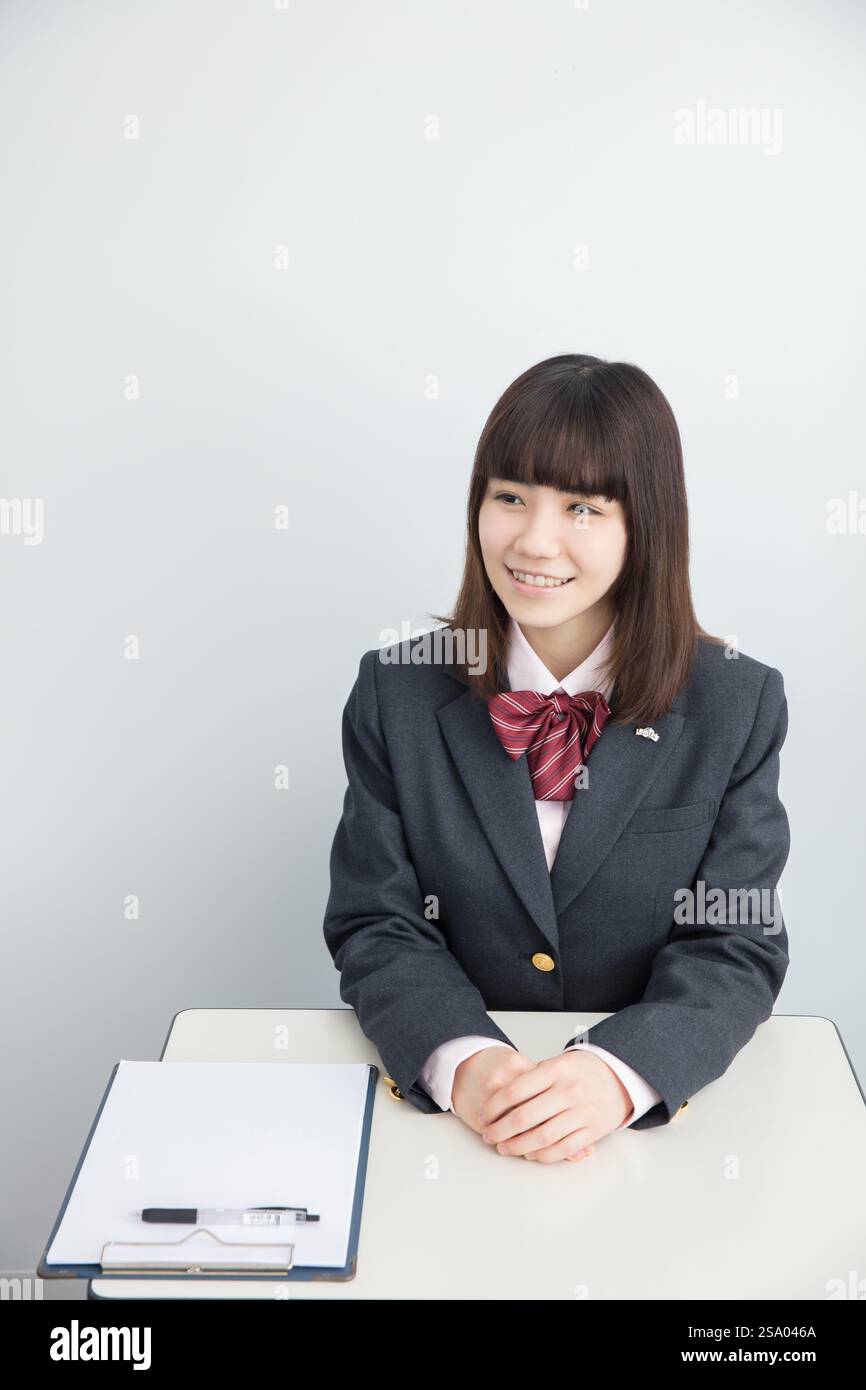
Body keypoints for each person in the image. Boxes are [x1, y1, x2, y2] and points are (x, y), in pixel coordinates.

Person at [323, 353, 790, 1165]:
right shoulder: (393, 691)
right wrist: (463, 1059)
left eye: (583, 507)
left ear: (646, 525)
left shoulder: (736, 704)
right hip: (451, 1133)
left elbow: (735, 939)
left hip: (647, 1142)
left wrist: (620, 1072)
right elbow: (376, 919)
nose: (535, 540)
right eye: (510, 497)